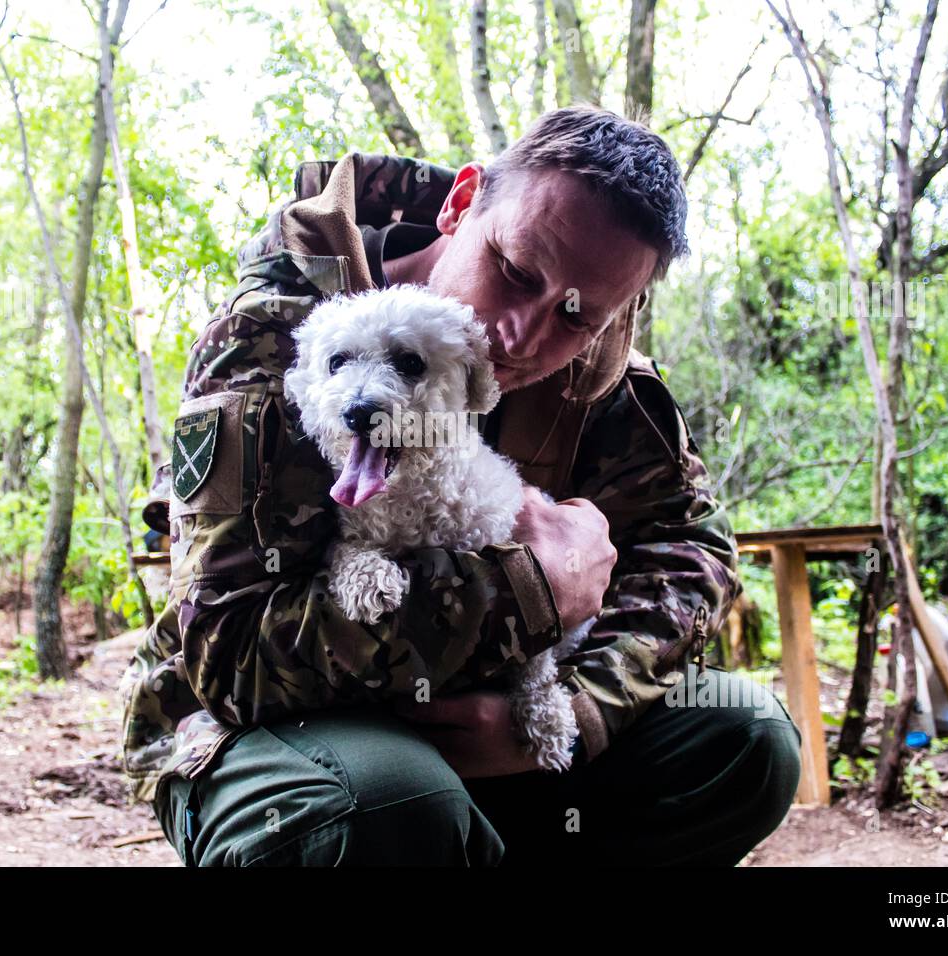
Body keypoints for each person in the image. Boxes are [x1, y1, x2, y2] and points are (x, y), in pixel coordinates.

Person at [119, 105, 802, 866]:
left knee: (747, 737)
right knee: (390, 800)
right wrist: (525, 594)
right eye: (514, 273)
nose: (524, 336)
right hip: (270, 732)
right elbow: (230, 657)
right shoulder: (273, 336)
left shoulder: (593, 372)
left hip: (497, 721)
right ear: (461, 202)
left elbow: (693, 552)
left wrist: (572, 706)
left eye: (578, 316)